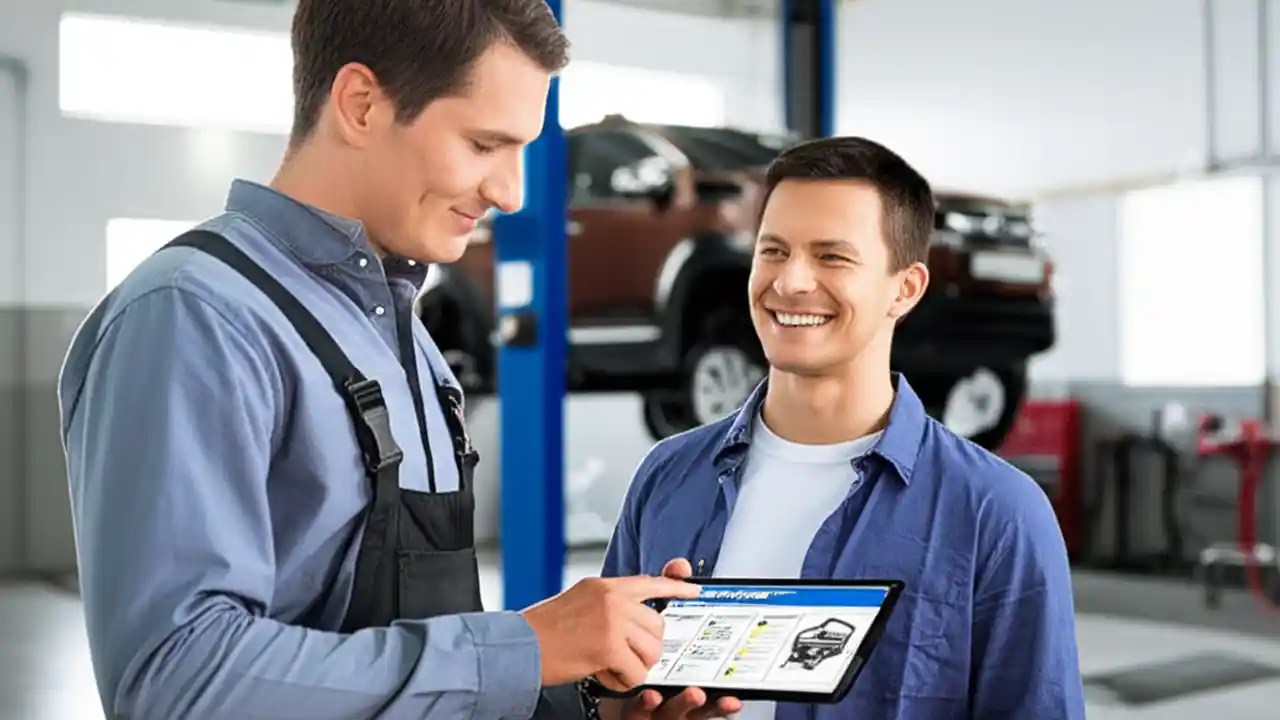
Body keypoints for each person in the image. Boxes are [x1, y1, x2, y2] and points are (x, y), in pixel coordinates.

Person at [56, 2, 699, 718]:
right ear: (361, 105)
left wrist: (581, 696)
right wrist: (520, 648)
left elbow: (422, 660)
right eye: (485, 144)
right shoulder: (195, 318)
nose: (510, 192)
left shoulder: (409, 341)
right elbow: (176, 683)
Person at [601, 136, 1087, 720]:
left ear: (904, 289)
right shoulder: (667, 478)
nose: (791, 282)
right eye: (773, 251)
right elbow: (608, 690)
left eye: (832, 257)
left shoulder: (995, 512)